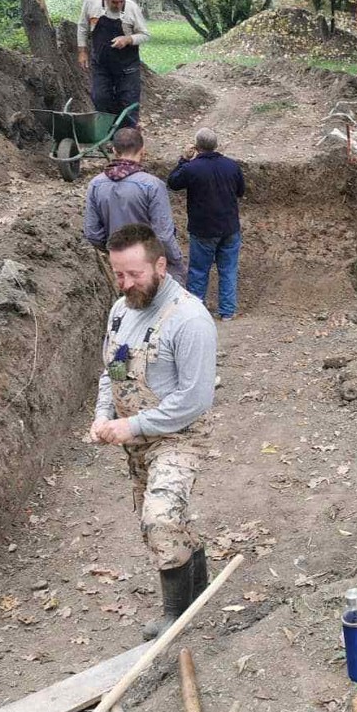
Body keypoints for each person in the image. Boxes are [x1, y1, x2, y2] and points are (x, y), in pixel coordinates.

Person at [90, 222, 217, 639]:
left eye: (134, 274)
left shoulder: (189, 320)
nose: (125, 283)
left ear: (160, 265)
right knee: (169, 519)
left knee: (159, 518)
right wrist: (103, 415)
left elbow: (194, 400)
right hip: (136, 441)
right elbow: (112, 370)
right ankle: (200, 591)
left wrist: (133, 424)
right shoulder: (119, 311)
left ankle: (175, 617)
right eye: (118, 273)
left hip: (178, 436)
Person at [84, 128, 188, 285]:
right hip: (148, 262)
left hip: (120, 265)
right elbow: (164, 234)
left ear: (114, 151)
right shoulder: (152, 185)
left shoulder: (96, 184)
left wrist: (115, 249)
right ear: (143, 151)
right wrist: (177, 261)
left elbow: (92, 233)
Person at [167, 128, 246, 320]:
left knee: (199, 271)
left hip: (203, 229)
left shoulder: (191, 168)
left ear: (196, 146)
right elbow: (240, 191)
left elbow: (173, 183)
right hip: (229, 227)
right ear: (216, 145)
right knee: (228, 270)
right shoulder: (232, 166)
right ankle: (227, 312)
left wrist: (184, 159)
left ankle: (196, 312)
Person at [78, 0, 150, 127]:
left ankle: (129, 141)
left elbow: (145, 35)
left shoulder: (131, 8)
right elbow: (83, 27)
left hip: (127, 66)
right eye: (114, 2)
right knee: (100, 98)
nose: (118, 5)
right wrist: (82, 51)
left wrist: (128, 39)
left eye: (121, 1)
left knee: (128, 103)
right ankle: (111, 136)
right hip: (101, 64)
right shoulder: (91, 3)